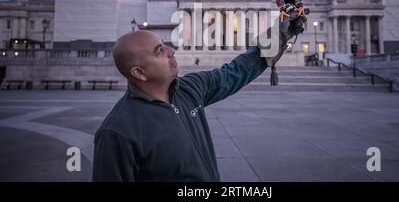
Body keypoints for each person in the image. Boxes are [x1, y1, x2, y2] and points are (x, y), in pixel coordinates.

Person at [92, 14, 302, 181]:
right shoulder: (117, 132)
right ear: (139, 73)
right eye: (159, 51)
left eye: (165, 44)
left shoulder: (190, 88)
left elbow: (234, 73)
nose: (172, 50)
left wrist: (277, 36)